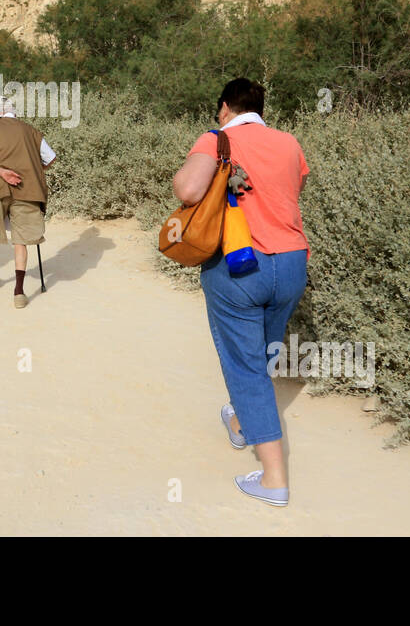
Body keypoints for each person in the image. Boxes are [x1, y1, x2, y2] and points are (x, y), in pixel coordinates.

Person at [171, 77, 309, 508]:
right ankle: (241, 418)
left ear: (225, 107)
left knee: (244, 363)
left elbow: (187, 190)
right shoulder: (289, 142)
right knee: (266, 347)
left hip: (239, 262)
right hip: (291, 262)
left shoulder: (218, 138)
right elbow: (292, 191)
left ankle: (273, 479)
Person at [0, 95, 56, 308]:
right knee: (21, 240)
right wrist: (34, 172)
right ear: (13, 112)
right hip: (27, 190)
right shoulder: (31, 131)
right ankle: (19, 292)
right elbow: (51, 158)